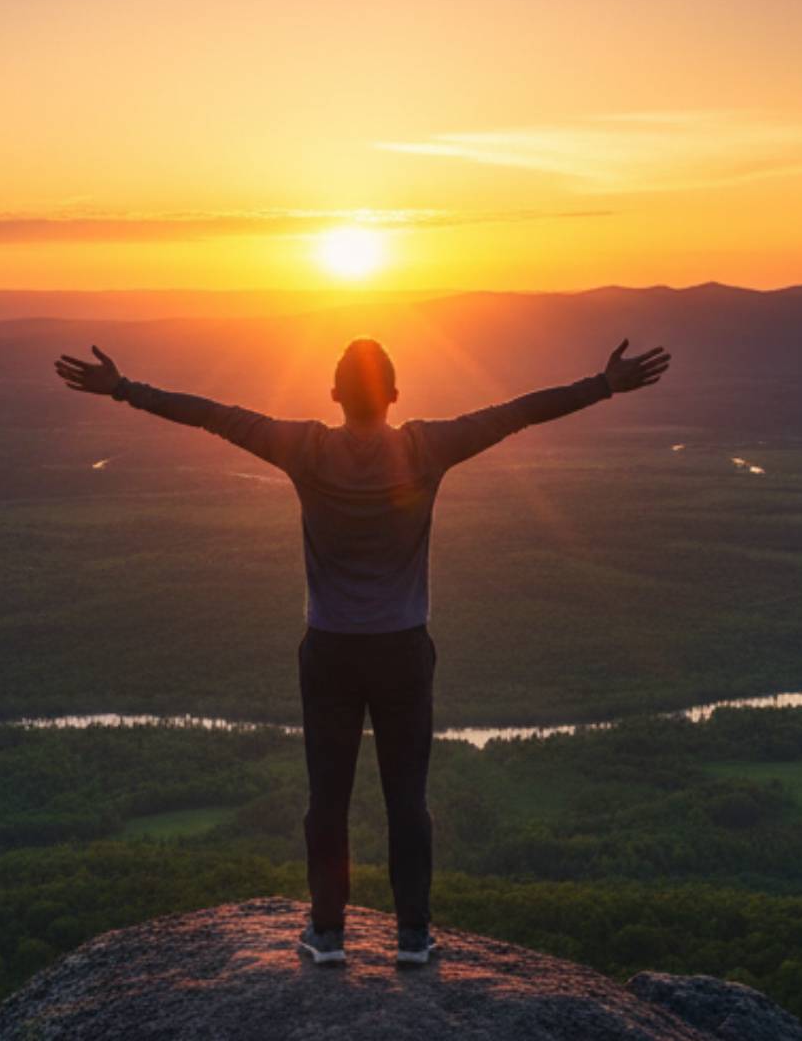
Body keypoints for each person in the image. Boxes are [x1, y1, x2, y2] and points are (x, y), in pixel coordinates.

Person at [54, 336, 670, 966]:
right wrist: (602, 384)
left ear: (334, 396)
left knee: (327, 799)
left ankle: (327, 934)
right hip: (403, 650)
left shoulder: (308, 448)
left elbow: (213, 415)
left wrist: (125, 389)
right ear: (396, 395)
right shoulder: (425, 447)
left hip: (329, 652)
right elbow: (516, 413)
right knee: (407, 799)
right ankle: (412, 936)